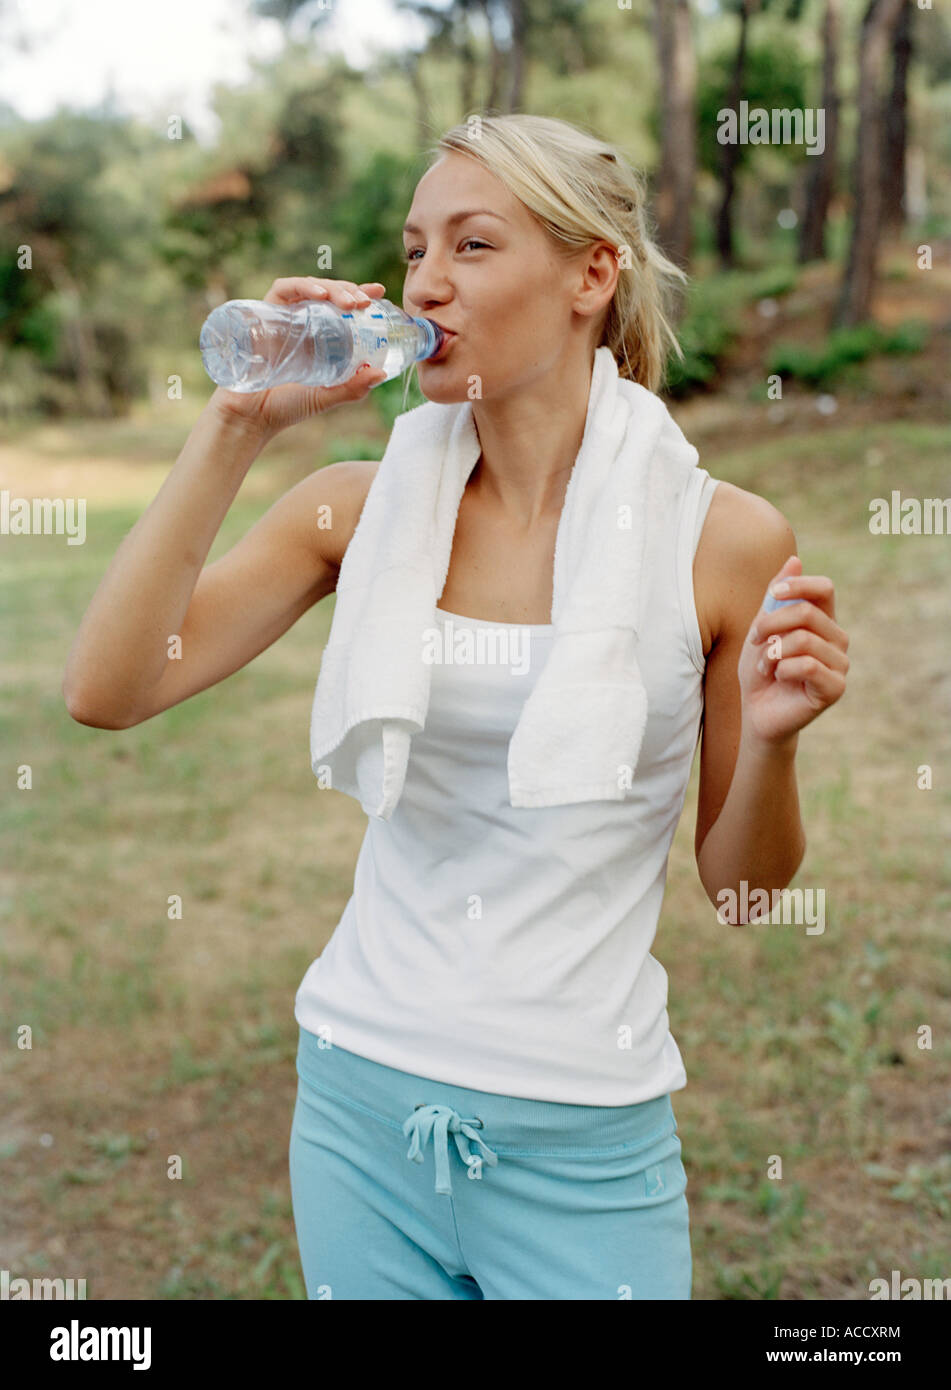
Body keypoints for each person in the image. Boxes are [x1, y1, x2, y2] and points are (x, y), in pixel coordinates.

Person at [63, 113, 850, 1300]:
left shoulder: (721, 540)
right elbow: (108, 690)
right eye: (416, 246)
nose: (426, 280)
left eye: (473, 246)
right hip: (358, 1104)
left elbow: (742, 893)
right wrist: (236, 421)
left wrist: (777, 745)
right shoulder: (356, 508)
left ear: (593, 274)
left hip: (585, 1132)